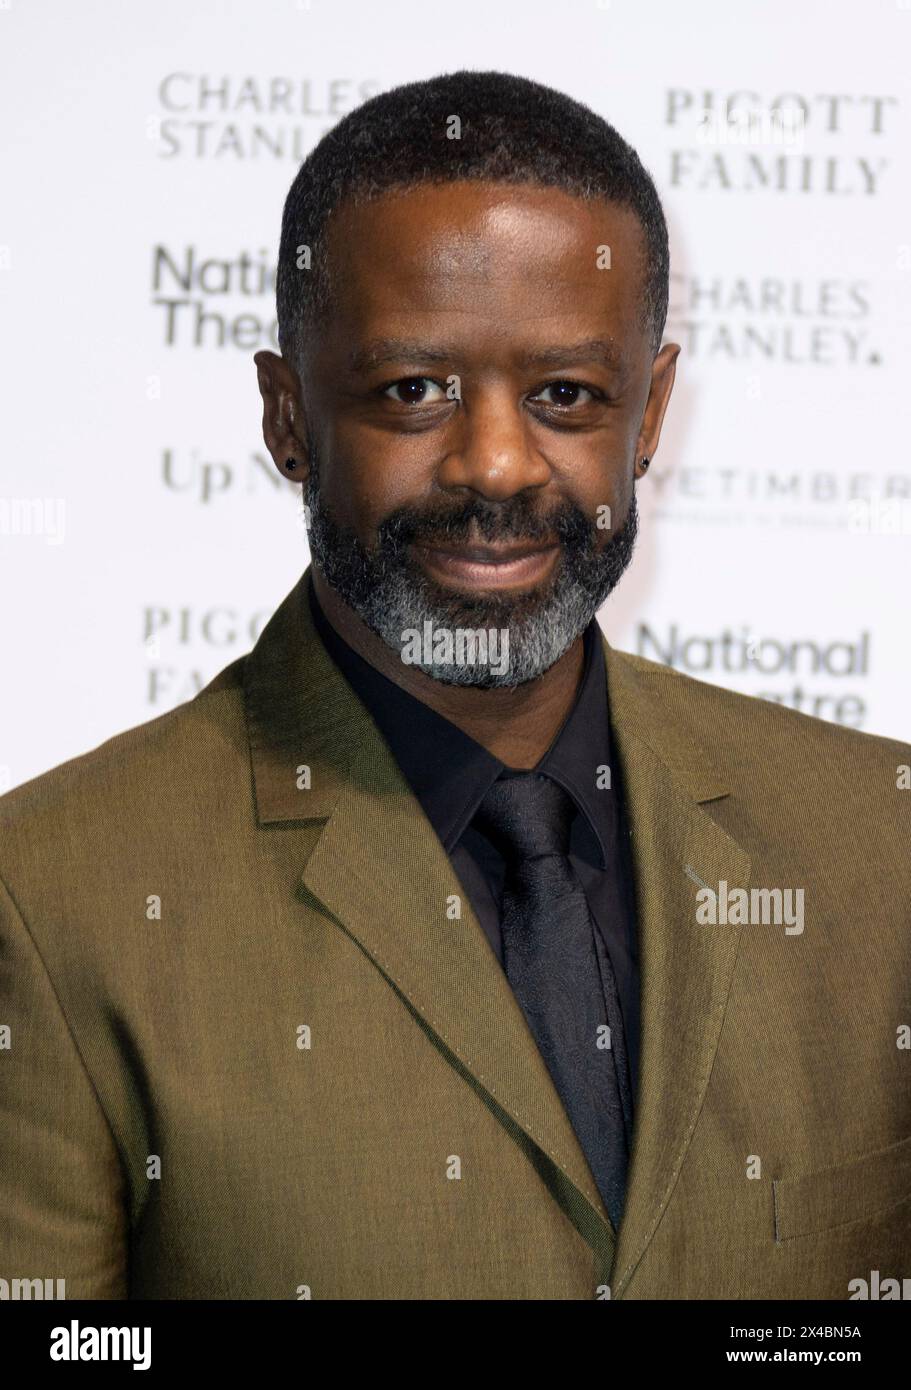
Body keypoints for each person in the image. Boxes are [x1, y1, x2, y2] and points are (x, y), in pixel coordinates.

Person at [1, 70, 908, 1301]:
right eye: (412, 391)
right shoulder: (54, 898)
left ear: (647, 417)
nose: (494, 463)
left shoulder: (879, 843)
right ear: (285, 418)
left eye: (565, 396)